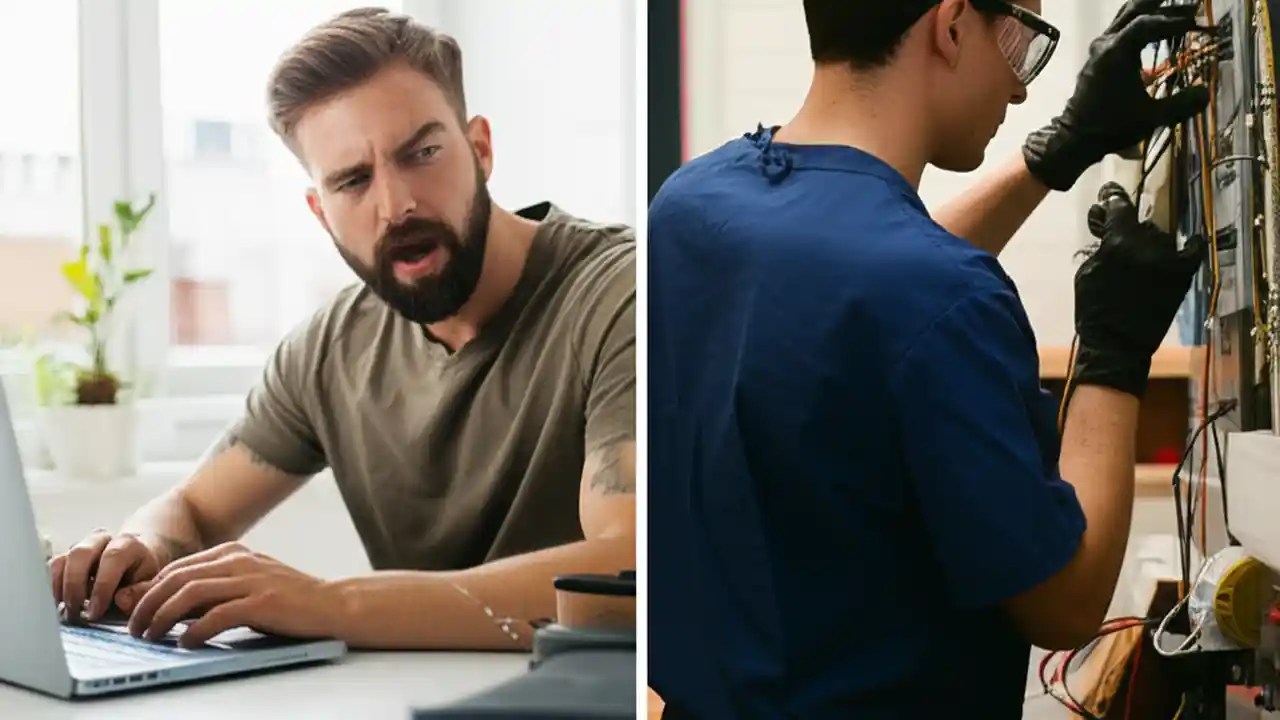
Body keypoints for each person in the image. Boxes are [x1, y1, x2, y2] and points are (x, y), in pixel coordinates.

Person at [648, 0, 1207, 717]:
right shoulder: (939, 296)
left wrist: (1059, 149)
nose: (1020, 87)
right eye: (1020, 40)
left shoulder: (690, 206)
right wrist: (1115, 355)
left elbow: (856, 277)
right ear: (949, 25)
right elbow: (1066, 605)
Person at [48, 7, 636, 651]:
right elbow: (192, 510)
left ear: (481, 149)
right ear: (320, 211)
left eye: (423, 153)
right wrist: (138, 547)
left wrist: (333, 604)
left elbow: (629, 565)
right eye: (353, 181)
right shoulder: (329, 351)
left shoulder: (622, 294)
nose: (396, 204)